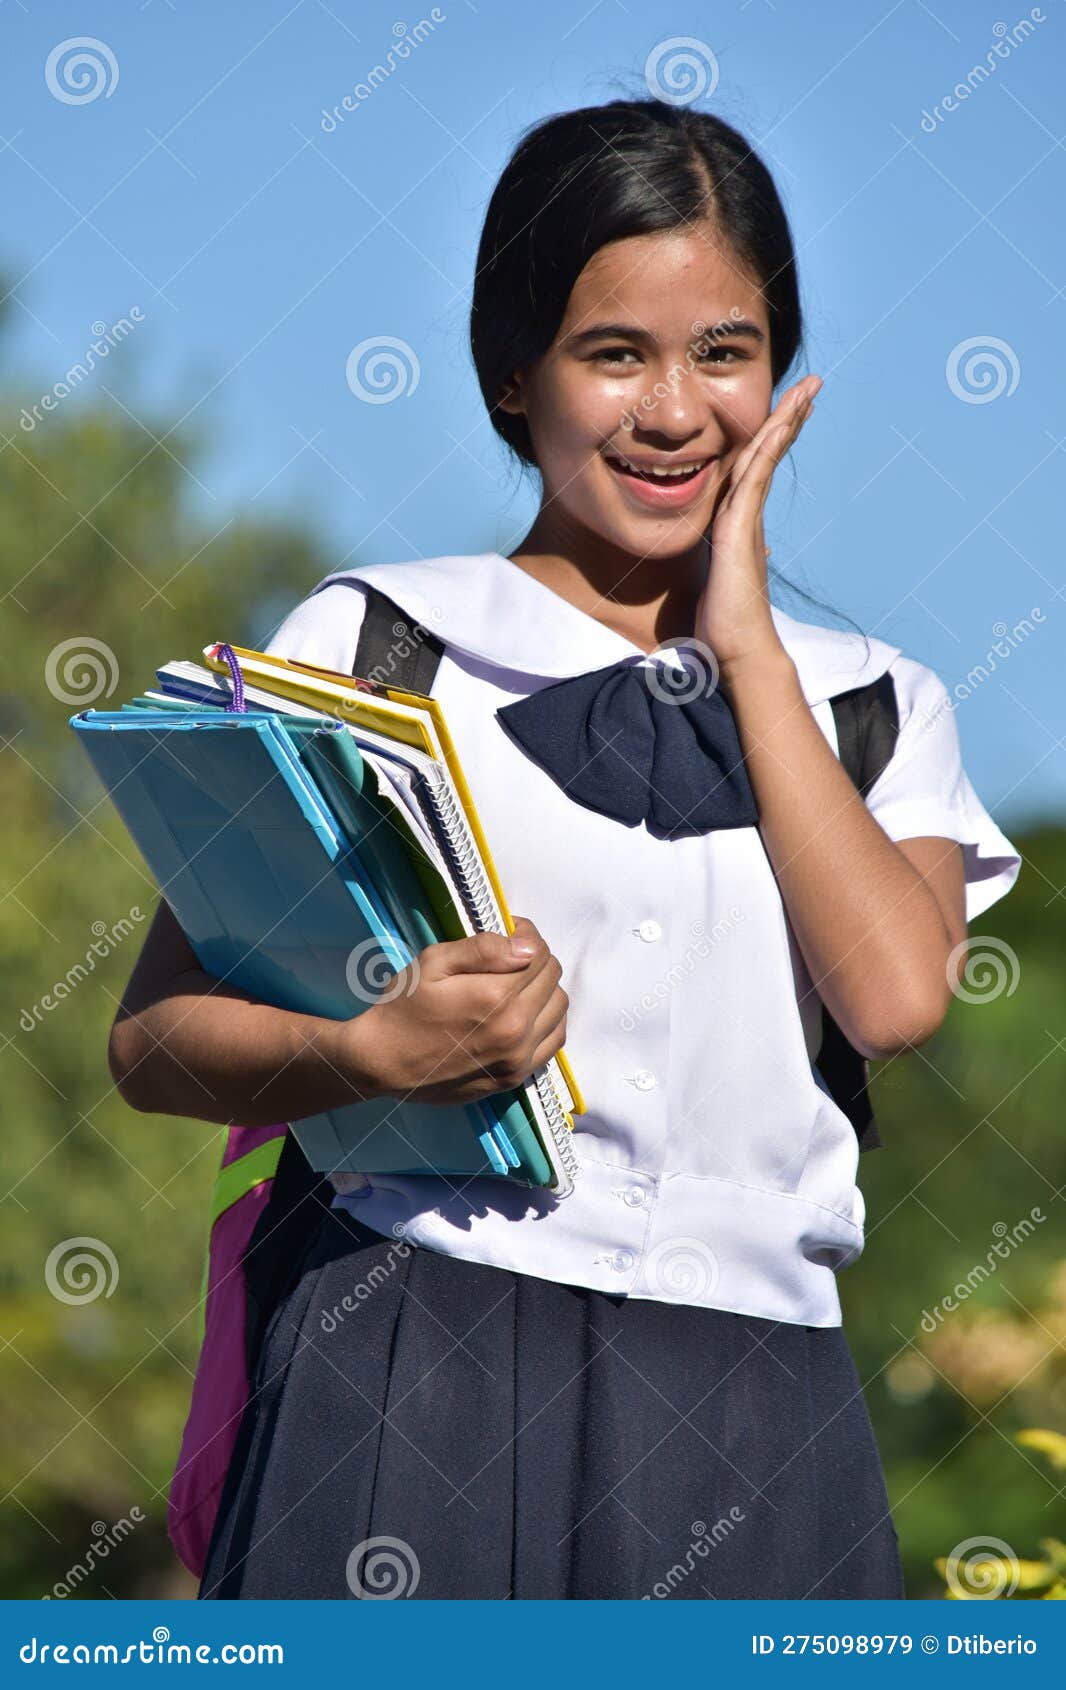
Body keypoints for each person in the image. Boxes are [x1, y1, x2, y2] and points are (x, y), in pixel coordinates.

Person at [109, 98, 1021, 1600]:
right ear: (510, 372)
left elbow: (894, 997)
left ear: (780, 374)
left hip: (756, 1412)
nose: (673, 411)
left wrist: (743, 642)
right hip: (406, 1360)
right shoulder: (376, 644)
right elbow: (155, 1036)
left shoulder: (873, 703)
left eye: (722, 351)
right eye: (613, 353)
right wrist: (371, 1051)